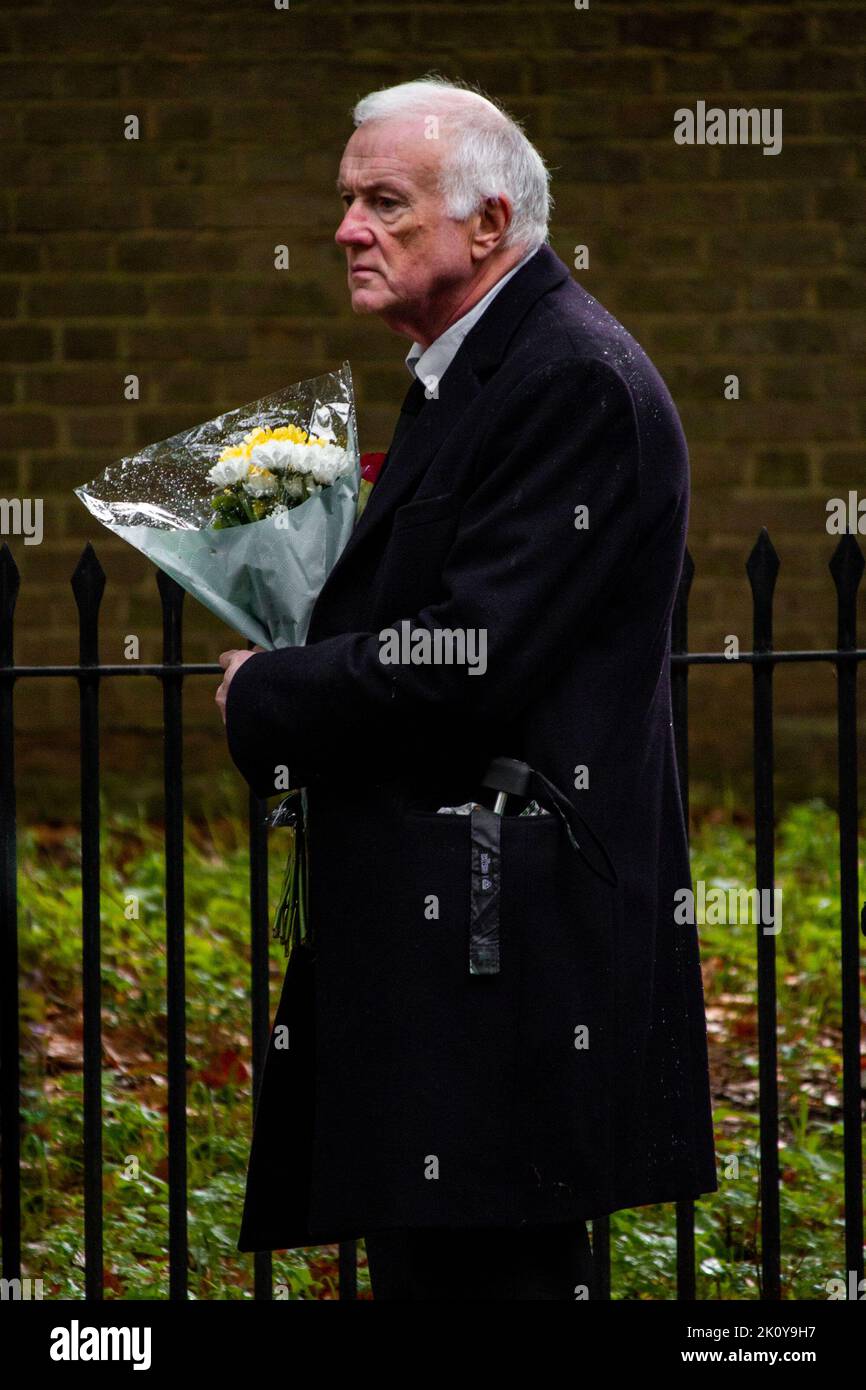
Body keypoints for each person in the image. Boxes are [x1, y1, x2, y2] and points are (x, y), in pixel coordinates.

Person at [216, 76, 718, 1301]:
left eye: (384, 204)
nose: (346, 230)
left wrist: (266, 690)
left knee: (489, 1280)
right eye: (345, 202)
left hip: (503, 948)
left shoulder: (564, 378)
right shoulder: (477, 366)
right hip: (460, 935)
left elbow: (470, 660)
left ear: (486, 224)